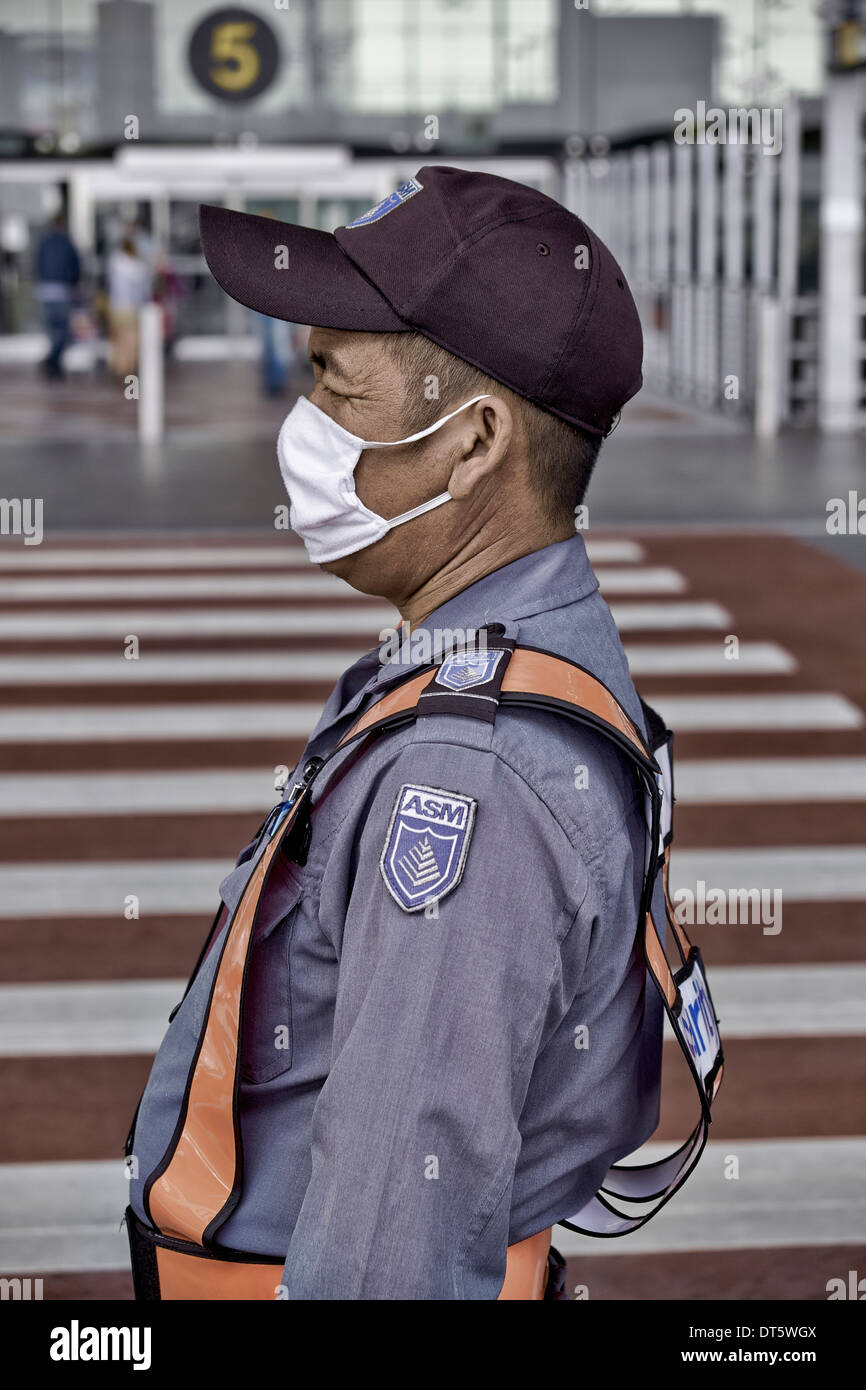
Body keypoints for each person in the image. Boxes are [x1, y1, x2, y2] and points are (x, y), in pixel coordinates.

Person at [124, 167, 673, 1301]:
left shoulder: (464, 770)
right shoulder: (503, 650)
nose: (302, 426)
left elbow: (390, 1255)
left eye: (336, 385)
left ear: (473, 443)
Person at [35, 214, 80, 380]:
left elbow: (37, 264)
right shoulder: (66, 243)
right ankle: (53, 361)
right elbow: (75, 265)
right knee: (61, 330)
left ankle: (52, 361)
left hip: (46, 289)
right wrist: (73, 282)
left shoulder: (45, 243)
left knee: (52, 330)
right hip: (61, 289)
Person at [106, 234, 151, 378]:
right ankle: (128, 369)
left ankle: (118, 366)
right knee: (131, 341)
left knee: (117, 339)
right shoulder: (138, 268)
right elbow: (144, 291)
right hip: (132, 309)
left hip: (116, 307)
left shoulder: (114, 263)